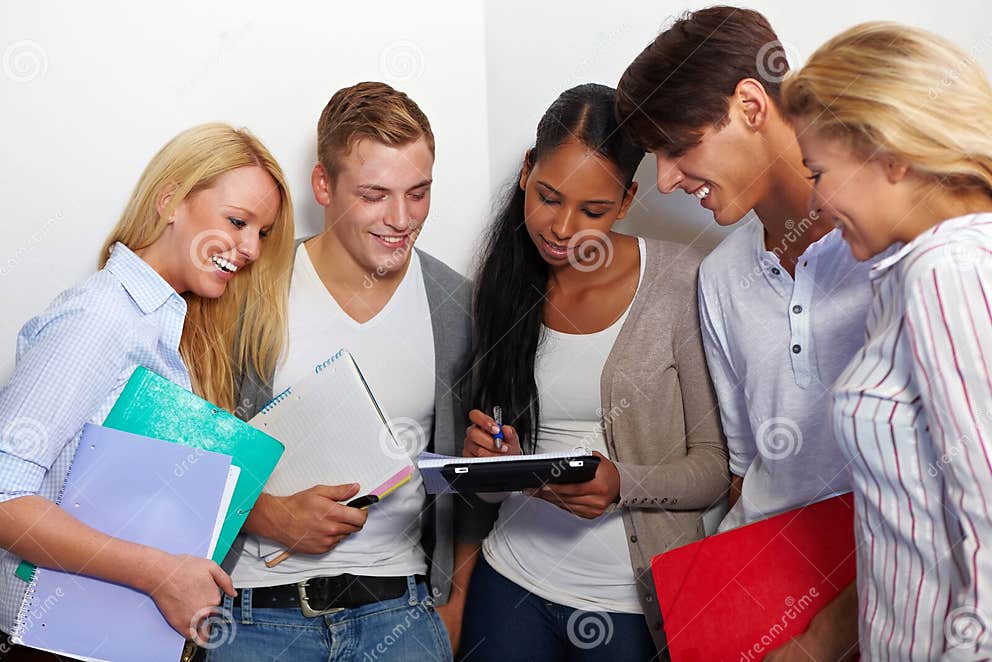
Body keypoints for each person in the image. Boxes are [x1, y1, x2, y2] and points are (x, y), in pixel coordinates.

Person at [615, 7, 871, 658]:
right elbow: (742, 472)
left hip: (880, 593)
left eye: (676, 147)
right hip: (755, 594)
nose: (666, 180)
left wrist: (821, 638)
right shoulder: (722, 275)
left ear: (752, 104)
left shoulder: (886, 242)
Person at [208, 82, 481, 662]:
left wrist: (450, 609)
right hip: (256, 613)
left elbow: (466, 486)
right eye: (375, 194)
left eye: (419, 193)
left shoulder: (453, 303)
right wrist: (268, 515)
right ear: (323, 186)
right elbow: (178, 447)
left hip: (401, 611)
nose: (401, 219)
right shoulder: (250, 290)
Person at [0, 123, 295, 659]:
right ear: (170, 201)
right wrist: (161, 573)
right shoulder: (101, 317)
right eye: (238, 221)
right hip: (52, 646)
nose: (251, 248)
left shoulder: (169, 333)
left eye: (263, 232)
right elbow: (3, 498)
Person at [459, 83, 728, 661]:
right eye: (549, 198)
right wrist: (489, 458)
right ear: (527, 171)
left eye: (593, 210)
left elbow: (713, 468)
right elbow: (497, 451)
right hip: (508, 583)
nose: (562, 228)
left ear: (628, 200)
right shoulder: (501, 282)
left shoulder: (682, 280)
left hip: (630, 607)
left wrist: (621, 486)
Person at [782, 22, 992, 659]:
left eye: (820, 172)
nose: (815, 201)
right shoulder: (920, 268)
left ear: (890, 155)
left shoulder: (946, 272)